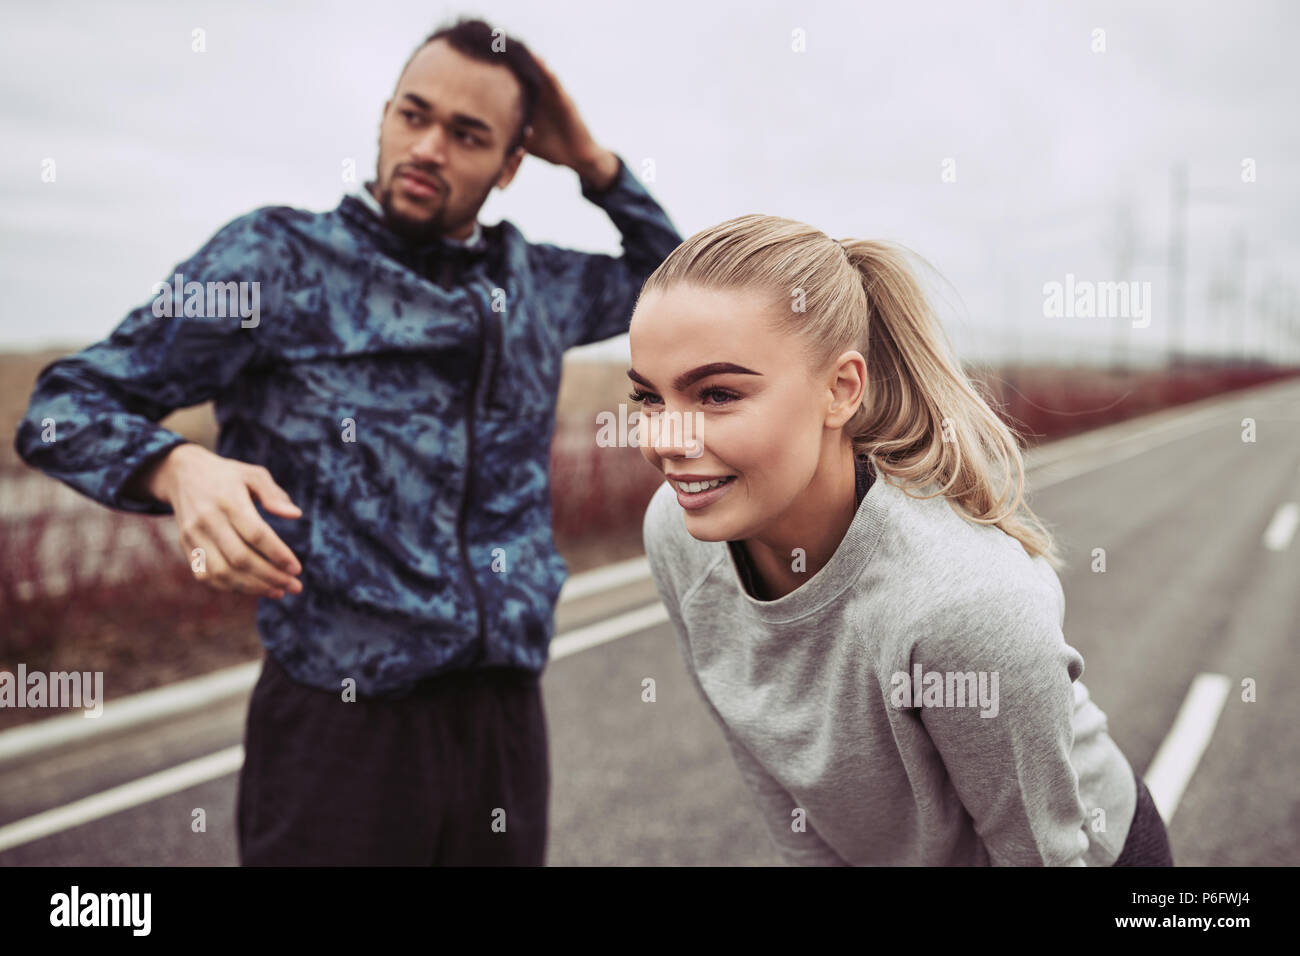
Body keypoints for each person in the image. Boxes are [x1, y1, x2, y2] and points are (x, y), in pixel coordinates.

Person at [13, 17, 682, 865]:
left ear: (513, 165)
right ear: (384, 118)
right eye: (413, 115)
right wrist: (174, 467)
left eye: (468, 134)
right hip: (338, 727)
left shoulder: (537, 284)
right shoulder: (277, 262)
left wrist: (595, 165)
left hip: (501, 723)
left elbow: (680, 287)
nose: (429, 147)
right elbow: (63, 408)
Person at [630, 214, 1174, 866]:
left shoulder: (962, 605)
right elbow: (775, 782)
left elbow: (1040, 853)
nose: (664, 441)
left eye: (716, 394)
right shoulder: (676, 531)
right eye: (649, 400)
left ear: (841, 390)